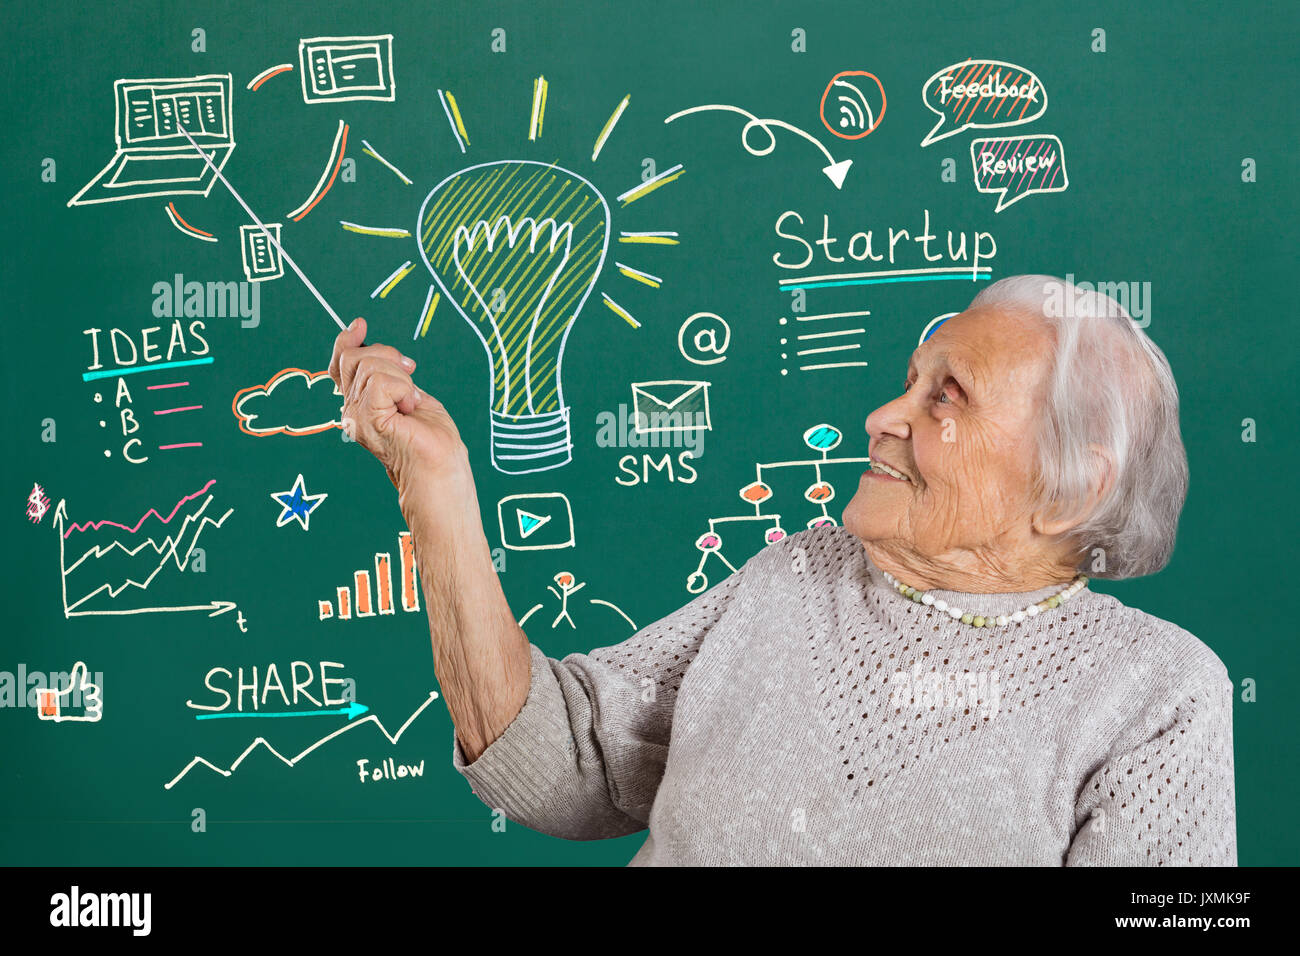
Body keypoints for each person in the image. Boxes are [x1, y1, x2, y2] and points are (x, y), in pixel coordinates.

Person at [327, 274, 1236, 866]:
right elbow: (564, 766)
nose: (884, 414)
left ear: (1072, 490)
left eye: (944, 396)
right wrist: (436, 490)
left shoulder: (1159, 694)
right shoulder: (798, 573)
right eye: (908, 379)